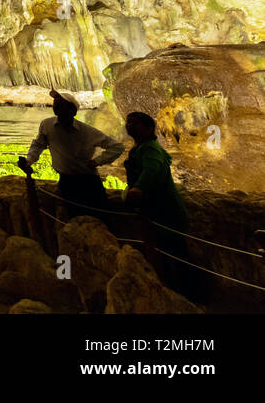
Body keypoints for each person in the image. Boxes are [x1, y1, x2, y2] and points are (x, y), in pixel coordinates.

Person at [122, 111, 204, 299]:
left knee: (176, 255)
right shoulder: (141, 148)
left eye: (135, 123)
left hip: (166, 213)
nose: (129, 126)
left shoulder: (150, 149)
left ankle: (189, 296)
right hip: (159, 212)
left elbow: (152, 169)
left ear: (149, 128)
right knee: (169, 254)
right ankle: (179, 293)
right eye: (128, 123)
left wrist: (137, 189)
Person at [17, 89, 125, 217]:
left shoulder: (87, 132)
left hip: (88, 181)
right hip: (66, 181)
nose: (56, 106)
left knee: (99, 215)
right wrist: (29, 160)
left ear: (73, 111)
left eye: (61, 103)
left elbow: (117, 147)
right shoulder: (46, 125)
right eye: (55, 103)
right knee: (74, 217)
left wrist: (97, 161)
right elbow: (38, 145)